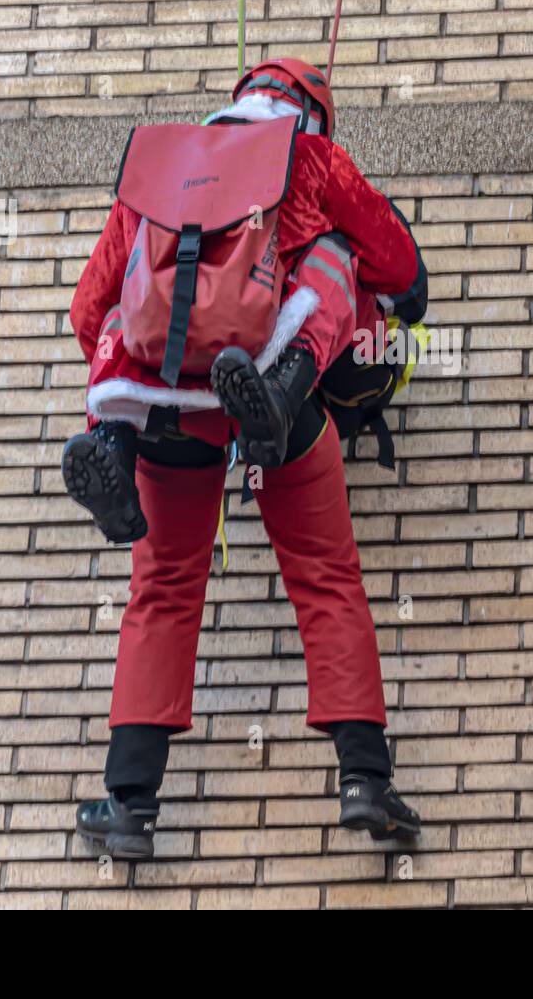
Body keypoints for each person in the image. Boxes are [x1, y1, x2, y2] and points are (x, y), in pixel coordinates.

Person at [62, 58, 427, 859]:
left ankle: (129, 807)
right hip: (272, 402)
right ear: (312, 109)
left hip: (161, 407)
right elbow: (398, 262)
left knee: (160, 589)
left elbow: (90, 310)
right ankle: (365, 779)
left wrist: (155, 373)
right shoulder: (311, 154)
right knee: (327, 577)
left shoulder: (159, 163)